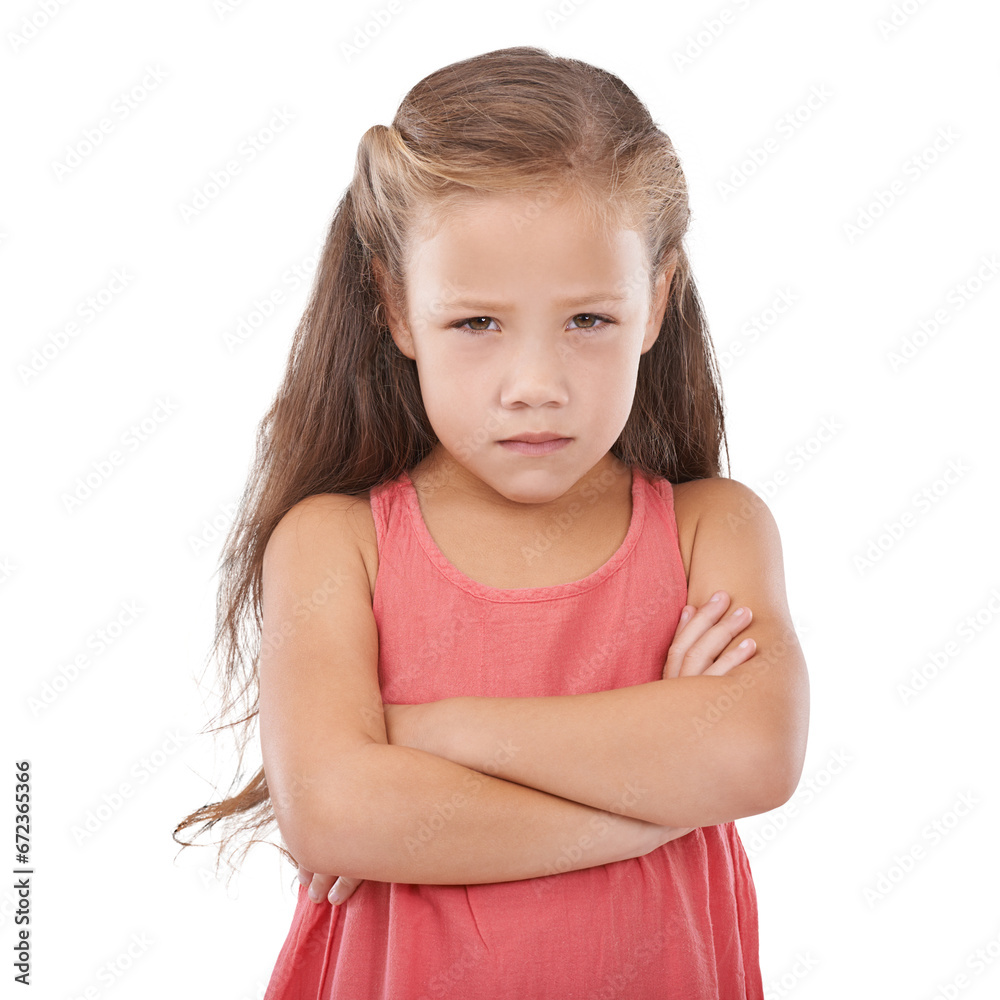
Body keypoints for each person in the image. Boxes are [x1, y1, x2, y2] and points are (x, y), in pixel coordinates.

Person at [174, 44, 809, 999]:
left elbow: (753, 752)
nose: (536, 387)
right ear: (397, 306)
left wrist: (424, 736)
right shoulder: (334, 544)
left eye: (588, 320)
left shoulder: (709, 529)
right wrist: (659, 800)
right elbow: (338, 812)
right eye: (477, 324)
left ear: (656, 300)